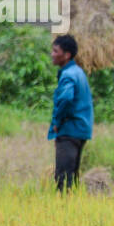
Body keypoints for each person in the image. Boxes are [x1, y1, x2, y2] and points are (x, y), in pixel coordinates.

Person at [48, 34, 93, 191]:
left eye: (55, 51)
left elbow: (66, 99)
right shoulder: (78, 71)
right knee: (72, 174)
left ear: (66, 55)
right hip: (81, 129)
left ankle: (63, 207)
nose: (52, 54)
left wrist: (57, 122)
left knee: (63, 176)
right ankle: (72, 206)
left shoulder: (68, 75)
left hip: (70, 129)